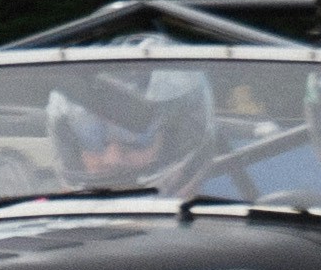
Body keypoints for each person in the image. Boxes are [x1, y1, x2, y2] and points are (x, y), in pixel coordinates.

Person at [43, 65, 215, 194]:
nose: (113, 159)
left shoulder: (221, 212)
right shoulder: (46, 215)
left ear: (174, 140)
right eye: (91, 136)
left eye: (134, 140)